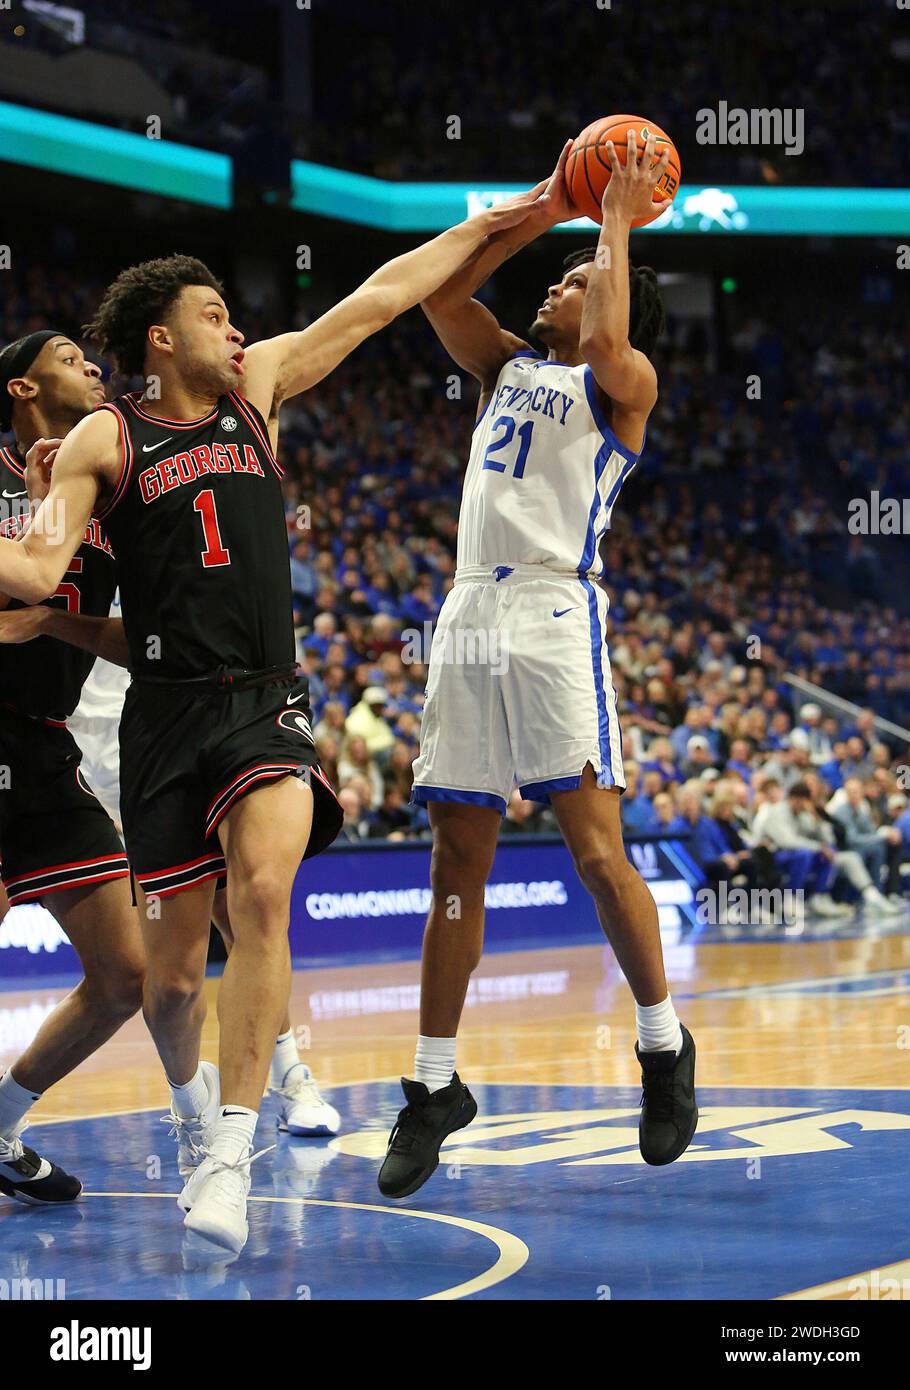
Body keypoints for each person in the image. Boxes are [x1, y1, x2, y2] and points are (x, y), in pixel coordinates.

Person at [0, 189, 548, 1253]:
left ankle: (229, 1150)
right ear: (161, 336)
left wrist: (510, 220)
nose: (237, 328)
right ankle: (196, 1105)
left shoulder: (258, 386)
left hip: (264, 702)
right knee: (161, 985)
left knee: (261, 892)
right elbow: (32, 563)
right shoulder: (101, 442)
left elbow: (384, 296)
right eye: (214, 314)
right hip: (162, 727)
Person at [378, 133, 697, 1202]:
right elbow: (439, 292)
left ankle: (661, 1046)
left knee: (597, 852)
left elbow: (607, 331)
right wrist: (548, 205)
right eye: (556, 280)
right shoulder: (503, 364)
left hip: (557, 605)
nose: (555, 287)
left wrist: (612, 216)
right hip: (471, 606)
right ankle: (433, 1086)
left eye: (571, 282)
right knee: (453, 866)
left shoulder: (627, 381)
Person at [0, 333, 145, 1205]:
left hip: (46, 747)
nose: (93, 362)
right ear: (22, 386)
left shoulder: (107, 494)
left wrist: (52, 622)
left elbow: (150, 648)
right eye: (68, 354)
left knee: (125, 975)